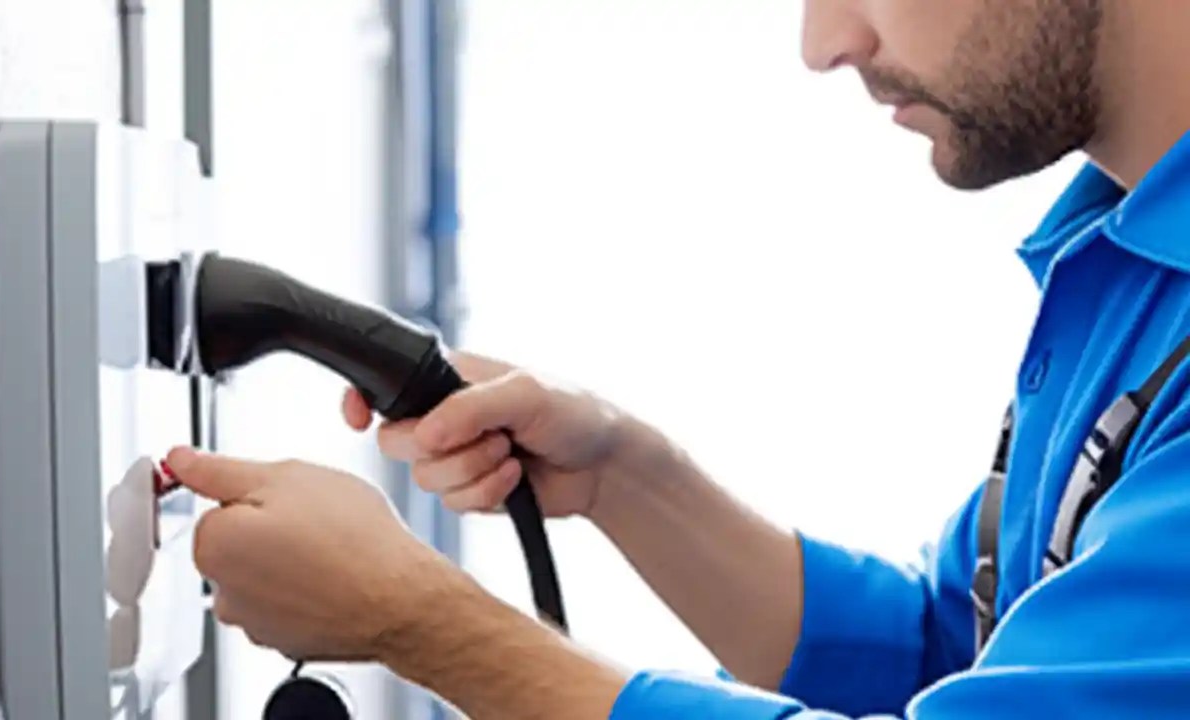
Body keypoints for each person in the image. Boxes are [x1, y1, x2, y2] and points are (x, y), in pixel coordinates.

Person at [167, 1, 1190, 717]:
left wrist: (421, 624)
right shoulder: (1124, 259)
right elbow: (944, 649)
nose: (824, 41)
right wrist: (622, 478)